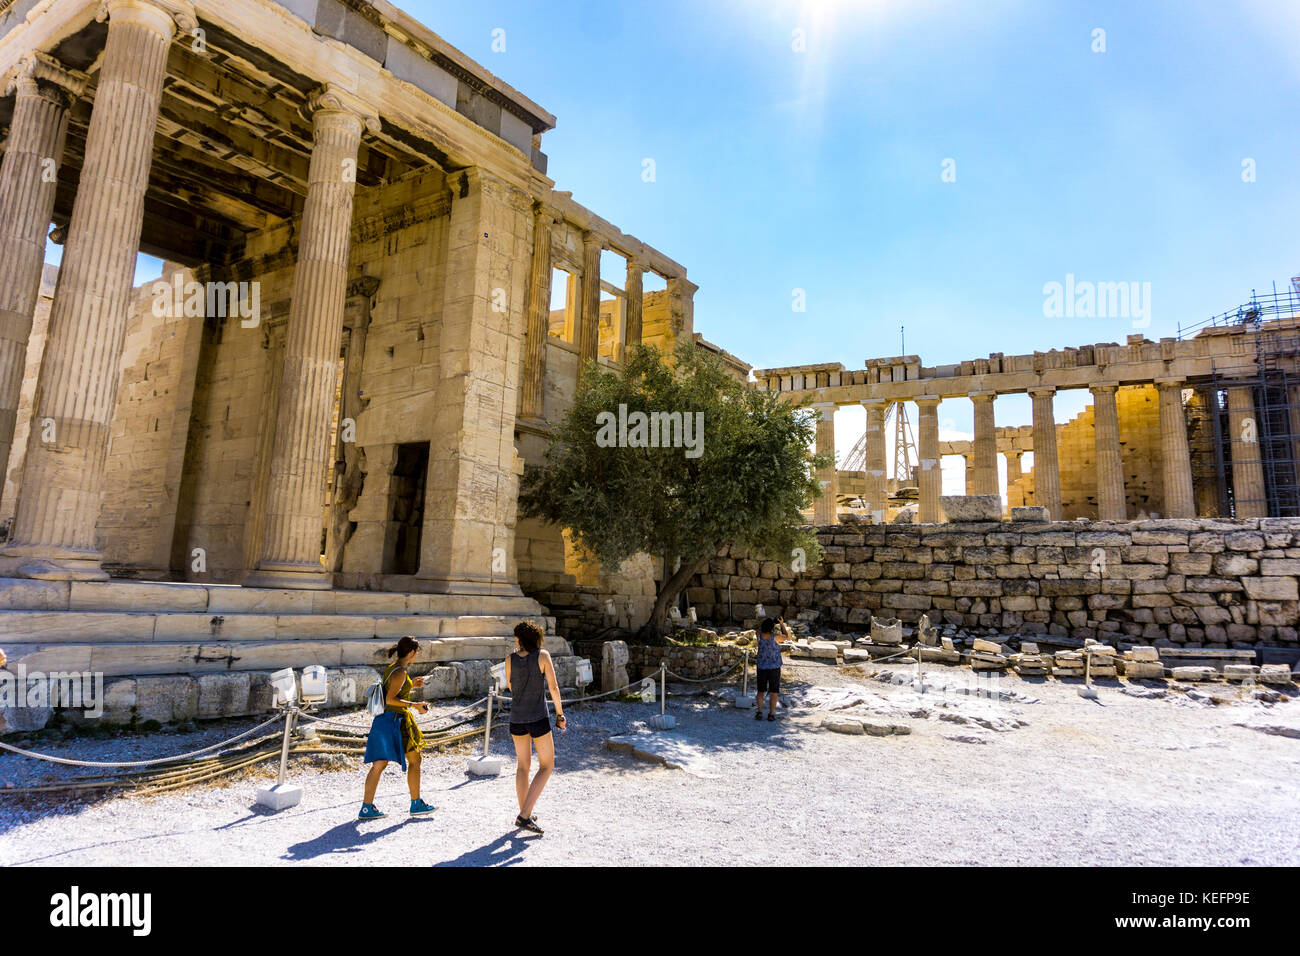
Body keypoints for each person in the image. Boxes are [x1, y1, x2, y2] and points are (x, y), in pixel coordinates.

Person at [359, 636, 434, 819]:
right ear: (411, 653)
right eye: (416, 652)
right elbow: (390, 699)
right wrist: (415, 705)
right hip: (396, 722)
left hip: (384, 721)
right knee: (415, 760)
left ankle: (366, 808)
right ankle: (416, 804)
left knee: (379, 764)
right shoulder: (400, 672)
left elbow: (395, 692)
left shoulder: (395, 668)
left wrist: (411, 686)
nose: (416, 655)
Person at [505, 621, 565, 835]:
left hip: (517, 718)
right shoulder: (543, 656)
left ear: (519, 639)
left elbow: (512, 686)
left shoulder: (509, 659)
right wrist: (560, 714)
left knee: (522, 766)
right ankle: (524, 815)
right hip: (538, 717)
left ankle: (525, 812)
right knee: (547, 766)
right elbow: (554, 687)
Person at [754, 616, 790, 722]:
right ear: (772, 627)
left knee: (761, 691)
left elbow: (759, 629)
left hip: (762, 667)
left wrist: (765, 622)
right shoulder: (775, 637)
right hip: (774, 667)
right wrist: (782, 624)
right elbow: (786, 636)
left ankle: (760, 712)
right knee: (774, 692)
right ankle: (771, 714)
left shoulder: (759, 634)